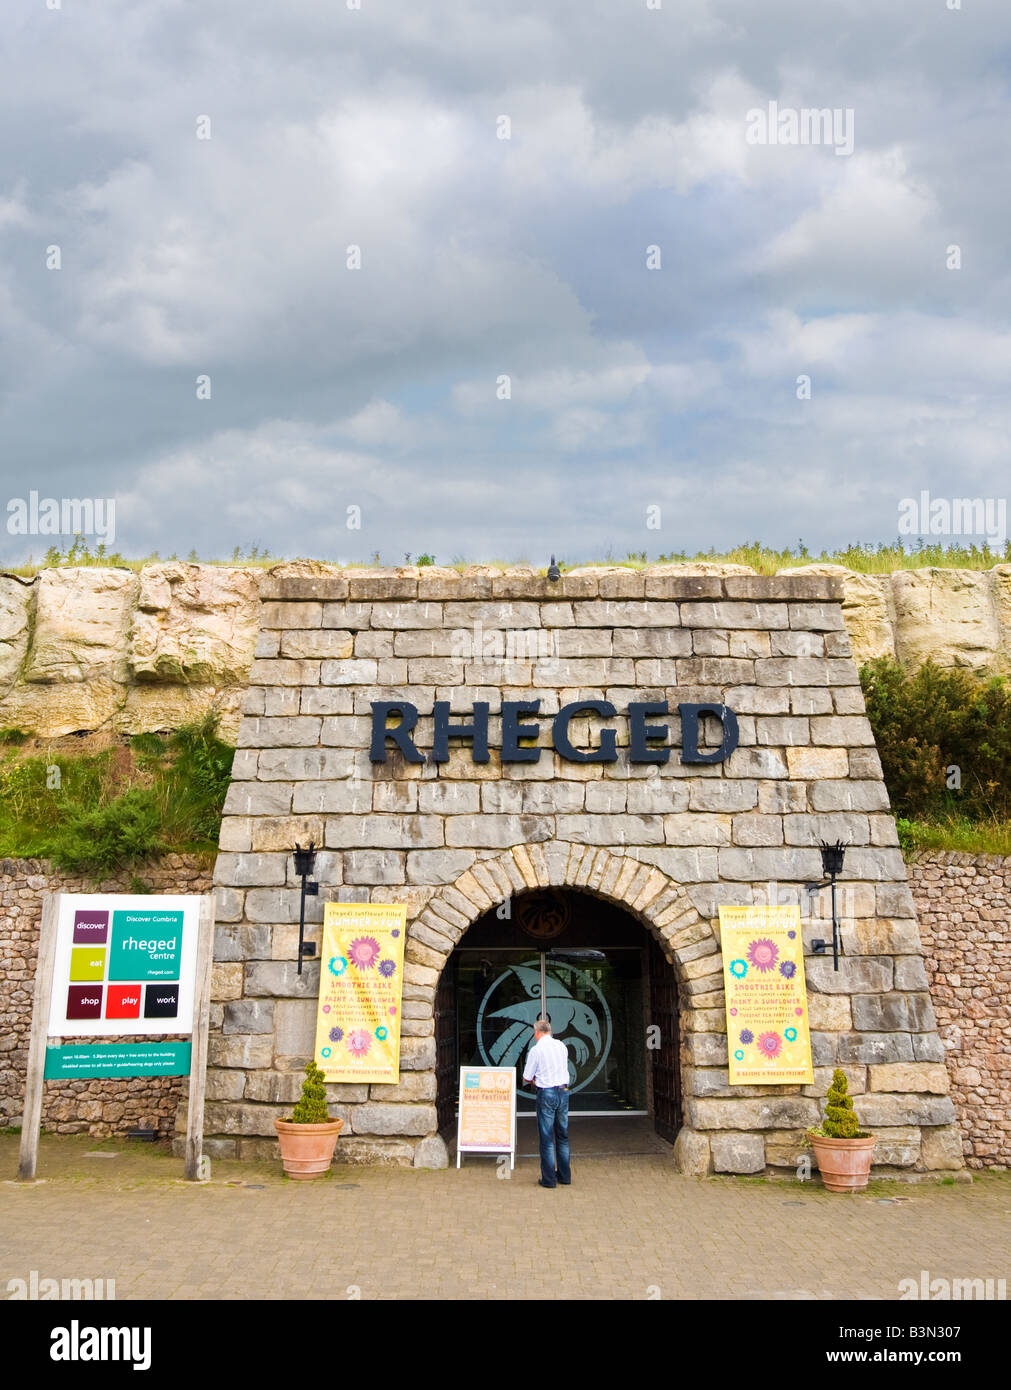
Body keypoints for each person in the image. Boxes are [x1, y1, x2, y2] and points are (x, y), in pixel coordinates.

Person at [522, 1017, 571, 1188]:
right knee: (562, 1136)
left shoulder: (536, 1050)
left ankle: (549, 1180)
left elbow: (527, 1077)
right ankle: (565, 1176)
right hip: (564, 1092)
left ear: (536, 1032)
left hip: (547, 1093)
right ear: (549, 1031)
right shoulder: (561, 1046)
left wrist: (536, 1080)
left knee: (547, 1138)